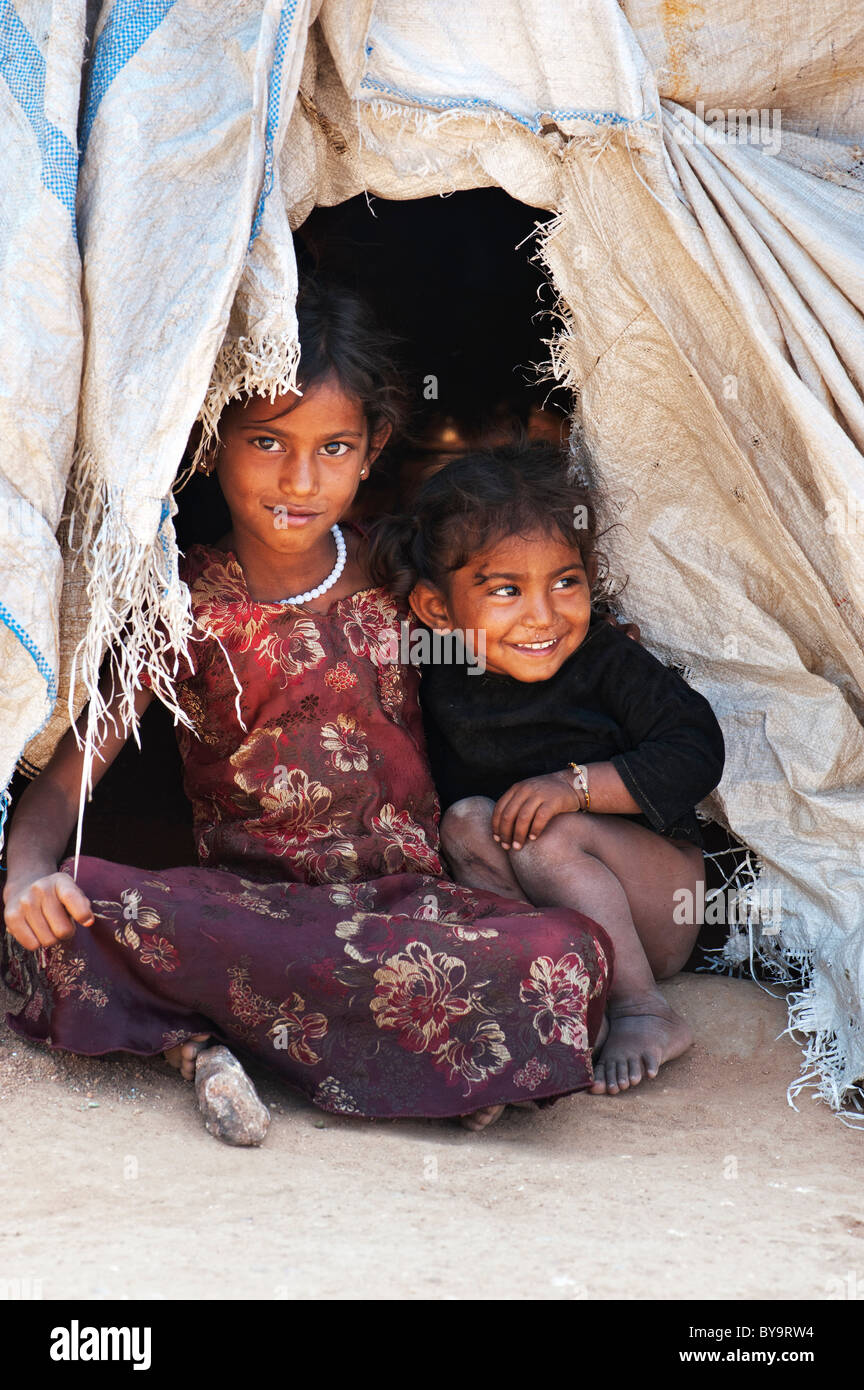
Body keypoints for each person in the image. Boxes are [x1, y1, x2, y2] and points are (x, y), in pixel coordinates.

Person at [1, 283, 612, 1138]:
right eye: (267, 442)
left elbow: (527, 630)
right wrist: (24, 873)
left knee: (564, 953)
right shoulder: (179, 604)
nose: (299, 478)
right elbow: (69, 785)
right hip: (249, 915)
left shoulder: (401, 573)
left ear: (374, 450)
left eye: (333, 447)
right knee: (68, 914)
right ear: (214, 444)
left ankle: (227, 1038)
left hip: (407, 906)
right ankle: (246, 1052)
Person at [368, 440, 725, 1097]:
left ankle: (643, 1008)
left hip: (663, 905)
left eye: (565, 581)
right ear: (437, 610)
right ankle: (548, 992)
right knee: (468, 822)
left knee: (545, 831)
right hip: (553, 896)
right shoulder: (437, 677)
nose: (542, 614)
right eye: (507, 589)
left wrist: (575, 787)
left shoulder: (606, 659)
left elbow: (695, 750)